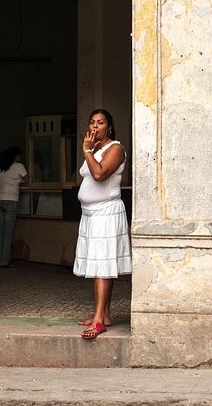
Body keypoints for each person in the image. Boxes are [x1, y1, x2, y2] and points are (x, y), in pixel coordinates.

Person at [73, 109, 131, 339]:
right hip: (90, 214)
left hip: (106, 213)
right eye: (92, 122)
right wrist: (90, 150)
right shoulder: (95, 148)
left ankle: (98, 321)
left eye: (101, 122)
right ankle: (104, 314)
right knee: (99, 264)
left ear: (110, 126)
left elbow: (99, 175)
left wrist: (87, 150)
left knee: (102, 265)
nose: (95, 126)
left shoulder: (115, 148)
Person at [0, 146, 28, 267]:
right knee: (8, 232)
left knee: (0, 232)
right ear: (16, 156)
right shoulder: (19, 166)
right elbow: (28, 180)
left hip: (0, 199)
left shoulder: (1, 167)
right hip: (11, 200)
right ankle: (4, 262)